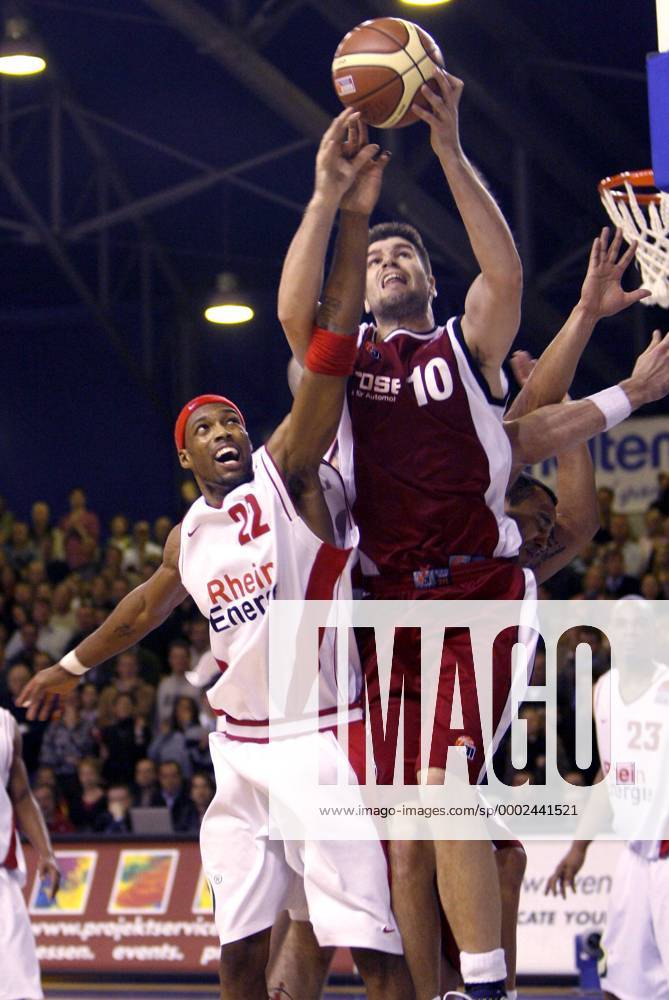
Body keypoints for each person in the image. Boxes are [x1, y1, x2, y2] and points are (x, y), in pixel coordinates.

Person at [278, 69, 662, 999]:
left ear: (427, 277)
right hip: (382, 606)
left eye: (403, 253)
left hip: (476, 593)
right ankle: (442, 989)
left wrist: (448, 147)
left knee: (445, 780)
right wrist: (327, 199)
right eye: (375, 256)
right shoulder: (342, 369)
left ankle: (486, 987)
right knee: (409, 830)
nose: (387, 262)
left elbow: (505, 279)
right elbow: (298, 318)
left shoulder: (464, 346)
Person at [18, 110, 409, 1000]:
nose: (227, 431)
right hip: (237, 751)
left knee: (366, 940)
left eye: (233, 419)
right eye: (207, 427)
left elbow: (329, 351)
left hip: (320, 736)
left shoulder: (288, 474)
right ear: (185, 455)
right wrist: (70, 667)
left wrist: (350, 216)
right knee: (237, 950)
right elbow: (146, 608)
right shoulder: (188, 536)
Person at [546, 598, 669, 1000]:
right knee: (618, 982)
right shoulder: (603, 690)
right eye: (622, 623)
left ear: (654, 632)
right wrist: (579, 848)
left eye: (639, 624)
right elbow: (606, 775)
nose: (630, 631)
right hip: (635, 857)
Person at [0, 706, 60, 1000]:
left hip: (0, 879)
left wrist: (46, 854)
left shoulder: (5, 725)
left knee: (19, 988)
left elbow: (22, 795)